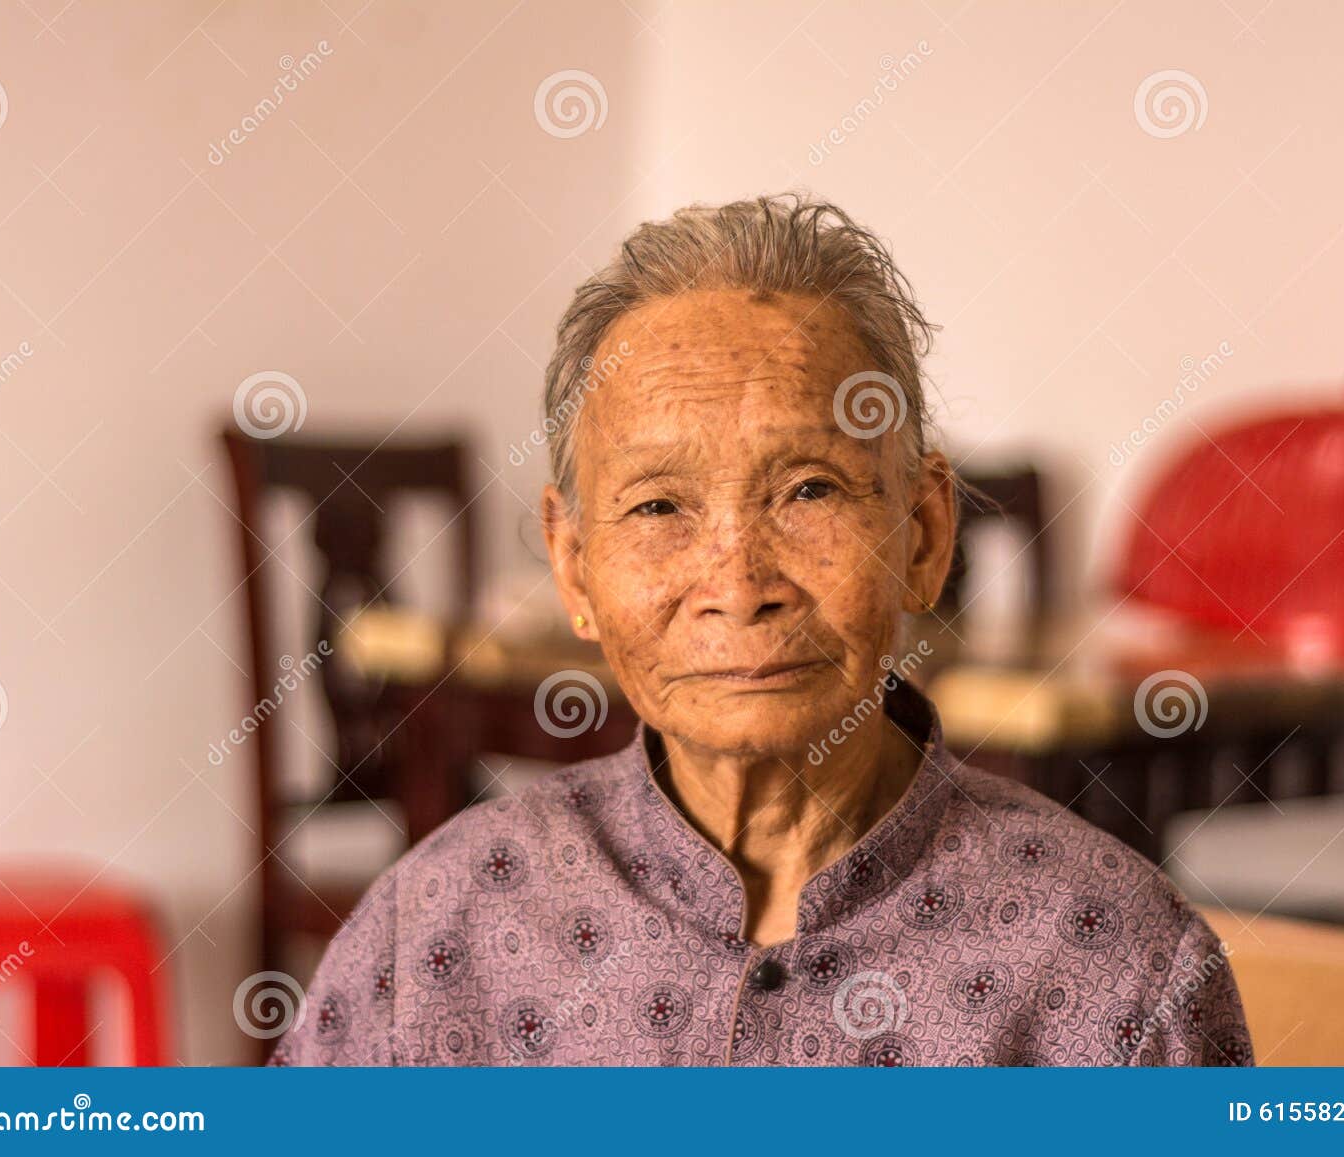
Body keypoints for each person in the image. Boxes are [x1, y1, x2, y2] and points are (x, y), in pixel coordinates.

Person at [270, 193, 1253, 1066]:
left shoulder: (1117, 969)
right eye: (659, 507)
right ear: (573, 563)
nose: (738, 587)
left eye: (810, 489)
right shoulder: (436, 928)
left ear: (923, 532)